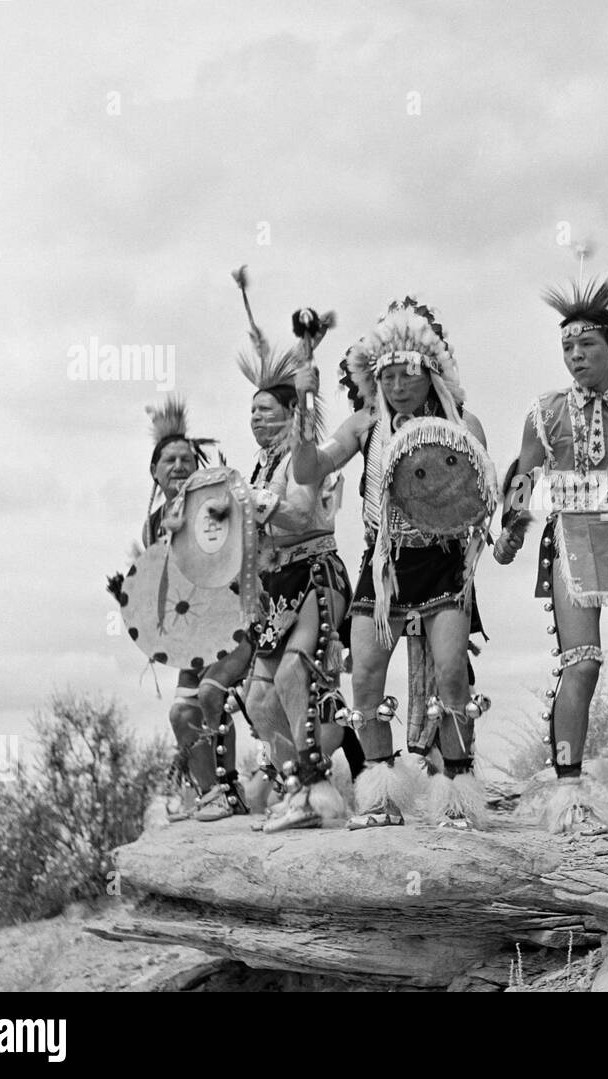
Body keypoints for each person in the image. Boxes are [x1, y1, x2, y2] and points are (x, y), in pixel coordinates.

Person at [292, 298, 492, 830]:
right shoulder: (364, 424)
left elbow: (483, 495)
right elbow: (307, 469)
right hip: (384, 567)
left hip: (443, 562)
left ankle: (455, 797)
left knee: (452, 675)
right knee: (365, 682)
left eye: (409, 373)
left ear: (432, 372)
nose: (399, 385)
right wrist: (302, 406)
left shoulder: (461, 421)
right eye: (388, 375)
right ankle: (380, 800)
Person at [495, 276, 608, 834]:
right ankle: (569, 795)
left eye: (587, 346)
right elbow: (524, 475)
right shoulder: (545, 412)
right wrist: (514, 529)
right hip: (573, 545)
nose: (576, 357)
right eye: (568, 348)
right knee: (583, 663)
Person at [225, 269, 359, 831]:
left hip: (312, 572)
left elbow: (304, 512)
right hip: (275, 585)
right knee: (257, 697)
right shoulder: (258, 465)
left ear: (289, 413)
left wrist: (256, 505)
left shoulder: (303, 457)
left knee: (292, 678)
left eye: (267, 409)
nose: (257, 416)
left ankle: (316, 786)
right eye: (252, 409)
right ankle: (294, 786)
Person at [109, 395, 251, 822]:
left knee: (215, 697)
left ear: (198, 463)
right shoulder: (153, 524)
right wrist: (131, 599)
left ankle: (266, 782)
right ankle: (212, 795)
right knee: (183, 713)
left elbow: (235, 561)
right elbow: (163, 586)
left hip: (240, 624)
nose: (178, 466)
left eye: (186, 458)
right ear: (154, 471)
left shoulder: (214, 504)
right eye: (168, 460)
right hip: (197, 635)